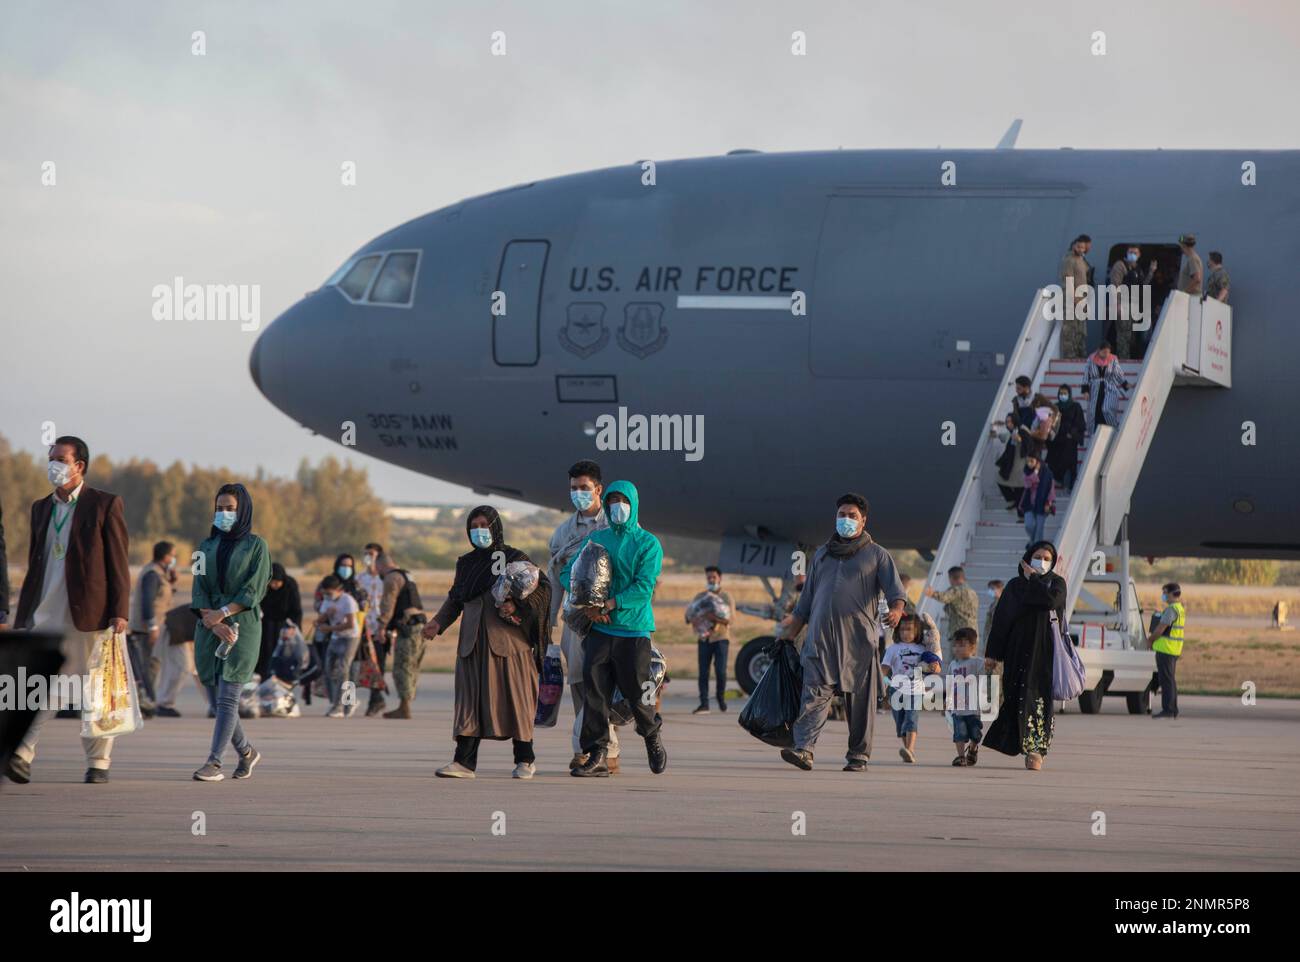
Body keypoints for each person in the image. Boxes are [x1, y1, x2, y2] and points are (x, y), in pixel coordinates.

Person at [5, 436, 130, 785]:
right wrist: (21, 612)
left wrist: (120, 611)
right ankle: (20, 753)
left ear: (80, 466)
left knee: (95, 689)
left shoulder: (104, 504)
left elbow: (117, 561)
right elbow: (36, 562)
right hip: (45, 611)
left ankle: (98, 763)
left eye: (61, 458)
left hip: (92, 614)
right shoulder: (41, 508)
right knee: (38, 684)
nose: (53, 465)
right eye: (50, 458)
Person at [777, 493, 907, 773]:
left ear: (863, 521)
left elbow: (897, 594)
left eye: (851, 516)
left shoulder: (877, 555)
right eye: (841, 515)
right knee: (813, 696)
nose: (845, 520)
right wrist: (787, 635)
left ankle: (858, 755)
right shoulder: (822, 554)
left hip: (858, 643)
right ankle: (804, 749)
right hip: (820, 641)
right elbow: (805, 605)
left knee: (860, 703)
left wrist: (896, 612)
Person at [424, 507, 552, 779]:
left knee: (515, 702)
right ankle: (464, 763)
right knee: (469, 703)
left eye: (485, 524)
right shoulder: (466, 563)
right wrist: (437, 623)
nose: (479, 530)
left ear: (496, 527)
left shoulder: (515, 558)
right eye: (474, 526)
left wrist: (516, 607)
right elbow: (456, 598)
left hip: (508, 645)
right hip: (472, 644)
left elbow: (539, 590)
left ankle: (525, 760)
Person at [562, 481, 668, 778]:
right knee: (594, 693)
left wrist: (607, 605)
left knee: (638, 695)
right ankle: (596, 753)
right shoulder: (598, 539)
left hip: (633, 631)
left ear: (633, 504)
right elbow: (569, 571)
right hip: (600, 631)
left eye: (622, 500)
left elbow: (643, 589)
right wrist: (585, 603)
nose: (616, 506)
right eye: (612, 501)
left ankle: (651, 735)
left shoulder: (648, 543)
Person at [191, 483, 271, 782]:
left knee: (228, 699)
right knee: (215, 699)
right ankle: (247, 752)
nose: (224, 514)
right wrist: (212, 621)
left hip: (242, 628)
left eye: (230, 509)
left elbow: (254, 588)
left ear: (243, 511)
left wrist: (224, 614)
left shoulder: (257, 547)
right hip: (209, 626)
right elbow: (198, 587)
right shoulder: (204, 547)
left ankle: (214, 762)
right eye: (220, 508)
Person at [546, 459, 618, 771]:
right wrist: (548, 621)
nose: (579, 494)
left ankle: (608, 749)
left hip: (608, 618)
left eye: (585, 488)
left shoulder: (616, 525)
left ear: (598, 489)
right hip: (574, 620)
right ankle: (585, 747)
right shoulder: (563, 532)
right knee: (578, 680)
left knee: (605, 682)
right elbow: (555, 576)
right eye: (574, 489)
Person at [982, 541, 1067, 771]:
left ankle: (1036, 750)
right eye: (1038, 556)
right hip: (1017, 651)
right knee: (1016, 696)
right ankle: (1021, 745)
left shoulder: (1056, 584)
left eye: (1047, 558)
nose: (1042, 561)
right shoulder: (1015, 586)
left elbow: (1049, 601)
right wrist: (993, 654)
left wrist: (1035, 580)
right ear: (1028, 559)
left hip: (1044, 653)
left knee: (1039, 699)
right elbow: (1001, 621)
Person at [880, 613, 941, 763]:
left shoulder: (922, 649)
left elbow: (937, 668)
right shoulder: (893, 649)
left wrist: (934, 667)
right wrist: (880, 684)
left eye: (910, 629)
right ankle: (907, 750)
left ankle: (910, 749)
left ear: (917, 631)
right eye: (902, 629)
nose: (906, 633)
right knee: (900, 724)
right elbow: (884, 668)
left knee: (911, 719)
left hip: (915, 689)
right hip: (896, 691)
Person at [127, 540, 176, 717]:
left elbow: (161, 598)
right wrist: (153, 626)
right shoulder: (152, 574)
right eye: (172, 555)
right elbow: (147, 603)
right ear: (165, 556)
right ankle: (148, 704)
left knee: (152, 666)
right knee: (147, 667)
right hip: (147, 629)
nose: (174, 559)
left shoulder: (159, 573)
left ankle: (148, 703)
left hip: (154, 627)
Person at [376, 552, 426, 719]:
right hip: (419, 625)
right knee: (412, 667)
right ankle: (405, 705)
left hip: (408, 627)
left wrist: (382, 627)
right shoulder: (407, 574)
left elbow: (388, 604)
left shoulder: (391, 578)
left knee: (402, 667)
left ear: (380, 566)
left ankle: (404, 707)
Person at [687, 566, 735, 714]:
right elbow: (689, 615)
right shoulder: (700, 596)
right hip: (704, 639)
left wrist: (713, 617)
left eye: (714, 577)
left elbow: (731, 619)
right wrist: (694, 619)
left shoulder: (726, 597)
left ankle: (720, 697)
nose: (711, 580)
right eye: (709, 577)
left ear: (720, 578)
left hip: (721, 638)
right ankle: (704, 703)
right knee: (703, 672)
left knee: (720, 671)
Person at [317, 574, 362, 717]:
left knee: (343, 669)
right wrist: (326, 615)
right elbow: (319, 620)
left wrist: (329, 629)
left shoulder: (347, 601)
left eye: (330, 593)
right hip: (336, 638)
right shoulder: (327, 601)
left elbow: (350, 624)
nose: (328, 596)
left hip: (350, 638)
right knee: (329, 669)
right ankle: (350, 699)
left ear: (339, 590)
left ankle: (338, 707)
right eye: (325, 594)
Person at [356, 543, 388, 715]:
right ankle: (372, 699)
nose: (368, 557)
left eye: (371, 554)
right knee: (361, 665)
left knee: (379, 664)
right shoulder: (359, 578)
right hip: (363, 628)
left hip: (380, 628)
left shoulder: (386, 579)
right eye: (365, 553)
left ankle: (375, 700)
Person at [1107, 246, 1156, 358]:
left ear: (1139, 255)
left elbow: (1142, 285)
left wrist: (1151, 272)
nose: (1133, 254)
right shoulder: (1120, 266)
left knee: (1131, 337)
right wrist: (1117, 304)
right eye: (1130, 252)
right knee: (1123, 335)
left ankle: (1127, 357)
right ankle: (1123, 359)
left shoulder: (1136, 269)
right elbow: (1115, 285)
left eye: (1135, 253)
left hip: (1133, 306)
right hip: (1123, 305)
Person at [155, 602, 202, 717]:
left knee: (200, 670)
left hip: (188, 631)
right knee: (181, 668)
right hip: (176, 630)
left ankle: (215, 705)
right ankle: (163, 703)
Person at [945, 627, 984, 766]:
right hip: (958, 708)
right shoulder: (953, 665)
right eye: (955, 645)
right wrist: (947, 699)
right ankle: (961, 757)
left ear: (973, 647)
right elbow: (950, 683)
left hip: (973, 709)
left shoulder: (977, 662)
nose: (957, 648)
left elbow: (988, 672)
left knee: (976, 734)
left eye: (962, 645)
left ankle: (973, 750)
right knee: (959, 734)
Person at [259, 563, 302, 682]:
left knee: (283, 654)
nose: (274, 585)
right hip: (266, 624)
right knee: (266, 653)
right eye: (272, 582)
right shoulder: (263, 586)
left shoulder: (290, 585)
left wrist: (294, 628)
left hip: (284, 625)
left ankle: (282, 680)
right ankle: (265, 679)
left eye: (277, 582)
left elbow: (296, 610)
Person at [923, 565, 979, 652]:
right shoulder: (972, 592)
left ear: (951, 578)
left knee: (957, 661)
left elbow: (945, 597)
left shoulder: (956, 590)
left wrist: (932, 593)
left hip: (960, 633)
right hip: (972, 632)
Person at [1151, 582, 1186, 719]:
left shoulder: (1171, 610)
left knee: (1166, 681)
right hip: (1173, 650)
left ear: (1172, 593)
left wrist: (1150, 639)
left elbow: (1161, 629)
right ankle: (1173, 709)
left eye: (1165, 592)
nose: (1163, 595)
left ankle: (1168, 710)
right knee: (1170, 680)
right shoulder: (1179, 609)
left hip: (1166, 650)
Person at [1083, 341, 1129, 433]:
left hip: (1109, 388)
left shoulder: (1113, 359)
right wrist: (1086, 390)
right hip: (1095, 389)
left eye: (1108, 352)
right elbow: (1086, 375)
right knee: (1094, 412)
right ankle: (1095, 433)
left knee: (1107, 409)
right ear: (1099, 351)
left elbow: (1118, 373)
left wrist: (1125, 384)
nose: (1106, 354)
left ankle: (1112, 429)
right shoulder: (1091, 359)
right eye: (1104, 352)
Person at [1047, 384, 1085, 491]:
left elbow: (1080, 424)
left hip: (1069, 441)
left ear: (1069, 394)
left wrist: (1072, 434)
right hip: (1057, 442)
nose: (1063, 395)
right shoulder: (1055, 407)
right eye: (1061, 393)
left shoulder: (1075, 406)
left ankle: (1068, 486)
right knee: (1055, 463)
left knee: (1069, 464)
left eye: (1065, 393)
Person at [1058, 234, 1091, 358]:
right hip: (1072, 302)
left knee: (1080, 333)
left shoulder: (1081, 261)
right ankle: (1070, 358)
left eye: (1083, 247)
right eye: (1078, 246)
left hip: (1081, 302)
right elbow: (1068, 281)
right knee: (1070, 332)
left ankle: (1079, 356)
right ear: (1074, 247)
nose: (1081, 249)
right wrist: (1076, 300)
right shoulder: (1069, 260)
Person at [1019, 446, 1056, 548]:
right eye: (1028, 461)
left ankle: (1035, 546)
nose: (1029, 463)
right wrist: (1035, 472)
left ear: (1037, 461)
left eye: (1032, 461)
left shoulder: (1047, 472)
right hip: (1029, 502)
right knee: (1029, 525)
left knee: (1039, 528)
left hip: (1042, 503)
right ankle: (1033, 541)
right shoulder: (1027, 471)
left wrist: (1049, 502)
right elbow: (1027, 484)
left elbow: (1050, 488)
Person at [993, 414, 1028, 513]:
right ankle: (1013, 503)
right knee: (1002, 480)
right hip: (1012, 463)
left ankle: (1020, 512)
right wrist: (996, 434)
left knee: (1018, 488)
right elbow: (1006, 437)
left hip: (1019, 464)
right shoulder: (1012, 432)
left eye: (1010, 422)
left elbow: (1028, 444)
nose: (1008, 424)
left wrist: (1020, 440)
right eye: (1007, 422)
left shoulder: (1022, 431)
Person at [1176, 233, 1203, 297]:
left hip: (1191, 298)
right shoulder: (1192, 258)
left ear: (1183, 245)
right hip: (1190, 297)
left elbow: (1197, 279)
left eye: (1181, 245)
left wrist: (1184, 292)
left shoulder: (1193, 259)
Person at [983, 580, 1004, 649]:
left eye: (992, 589)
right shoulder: (993, 604)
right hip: (991, 636)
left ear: (1000, 589)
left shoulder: (1004, 603)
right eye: (989, 589)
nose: (990, 591)